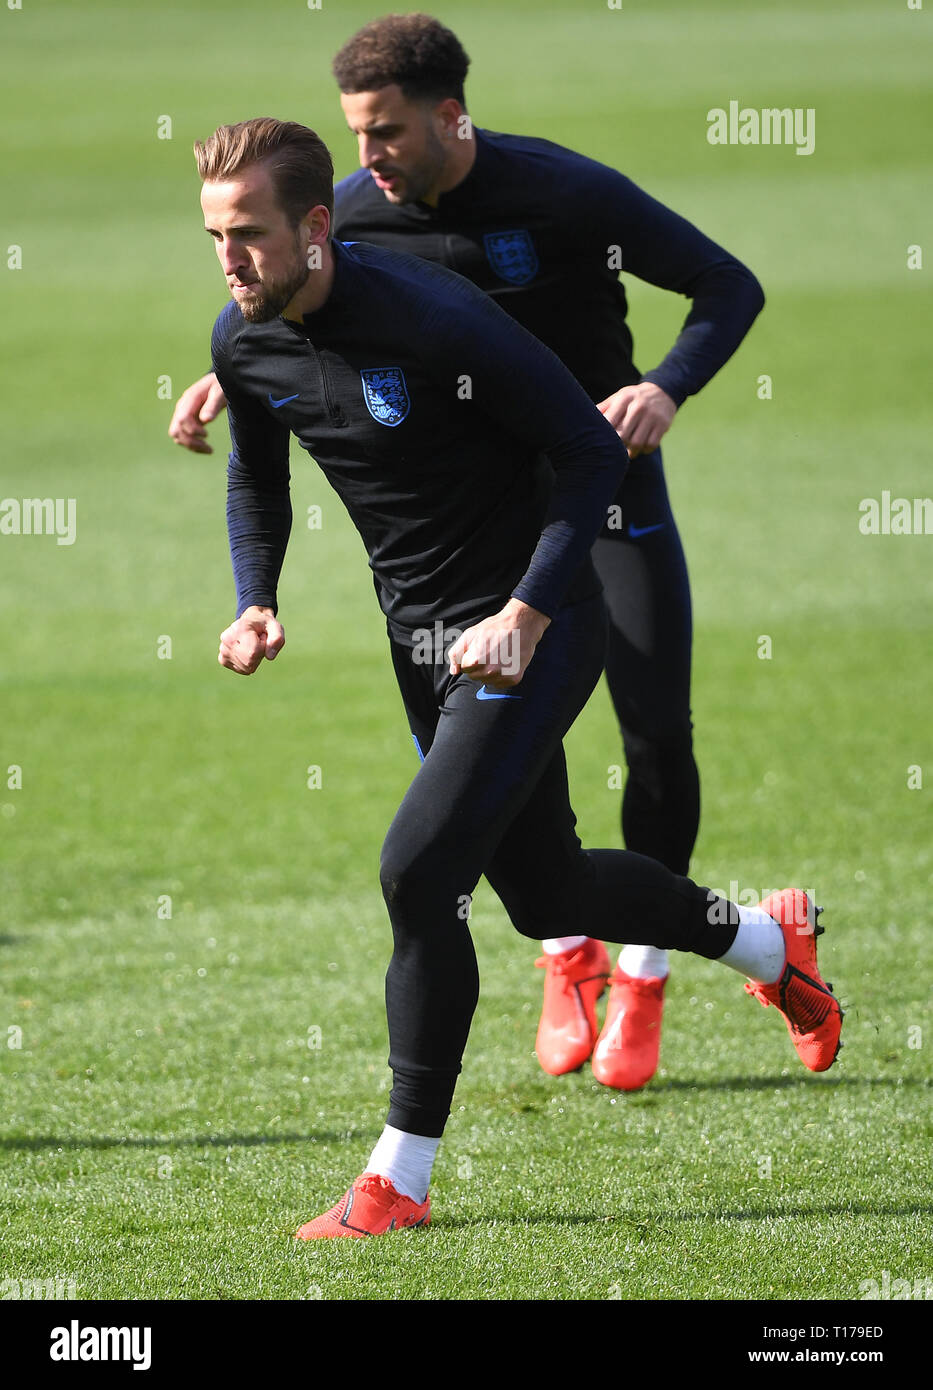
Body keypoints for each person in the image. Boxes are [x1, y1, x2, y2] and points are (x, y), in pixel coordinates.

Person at [192, 116, 841, 1239]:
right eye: (213, 236)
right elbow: (255, 476)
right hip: (422, 648)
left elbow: (591, 453)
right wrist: (258, 594)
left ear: (313, 226)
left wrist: (527, 610)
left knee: (415, 873)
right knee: (544, 895)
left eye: (248, 234)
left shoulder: (436, 319)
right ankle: (774, 948)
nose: (230, 259)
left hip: (535, 630)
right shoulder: (243, 343)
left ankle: (399, 1177)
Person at [171, 14, 765, 1093]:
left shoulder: (568, 195)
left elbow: (730, 285)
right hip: (473, 540)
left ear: (451, 115)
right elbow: (281, 287)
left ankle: (645, 972)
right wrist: (235, 371)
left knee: (655, 732)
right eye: (355, 135)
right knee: (526, 858)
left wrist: (665, 385)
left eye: (387, 131)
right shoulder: (346, 212)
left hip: (600, 490)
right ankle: (567, 943)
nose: (369, 159)